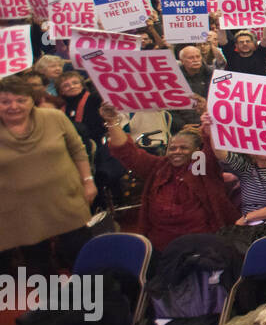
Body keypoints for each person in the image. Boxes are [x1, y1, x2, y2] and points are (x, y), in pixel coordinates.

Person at [100, 103, 237, 250]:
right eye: (172, 148)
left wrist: (209, 123)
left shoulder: (203, 165)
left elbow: (214, 149)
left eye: (184, 148)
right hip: (161, 246)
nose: (176, 151)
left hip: (202, 245)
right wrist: (112, 121)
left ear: (197, 150)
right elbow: (126, 151)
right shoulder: (157, 167)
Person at [0, 76, 95, 273]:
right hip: (18, 212)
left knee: (84, 257)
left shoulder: (54, 118)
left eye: (20, 100)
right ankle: (55, 303)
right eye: (5, 101)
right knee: (39, 266)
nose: (13, 106)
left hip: (65, 201)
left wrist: (88, 181)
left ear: (32, 99)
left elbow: (77, 150)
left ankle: (99, 300)